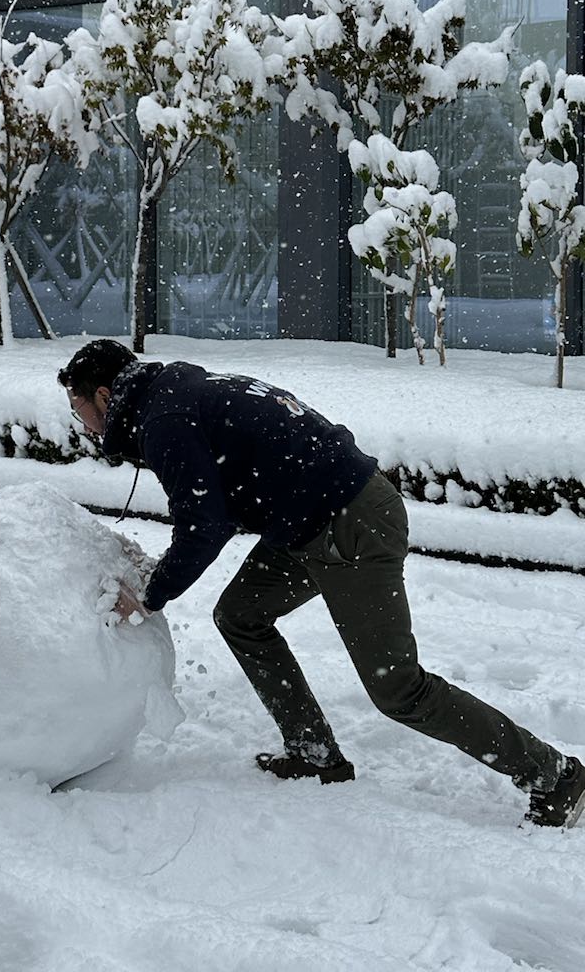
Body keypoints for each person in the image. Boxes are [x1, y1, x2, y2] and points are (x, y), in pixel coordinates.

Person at [57, 338, 585, 829]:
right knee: (240, 616)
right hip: (310, 520)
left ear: (104, 395)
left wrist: (149, 595)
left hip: (349, 522)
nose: (80, 422)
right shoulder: (169, 393)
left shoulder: (165, 418)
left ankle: (556, 777)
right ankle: (314, 753)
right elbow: (226, 489)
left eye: (78, 407)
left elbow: (204, 524)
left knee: (399, 689)